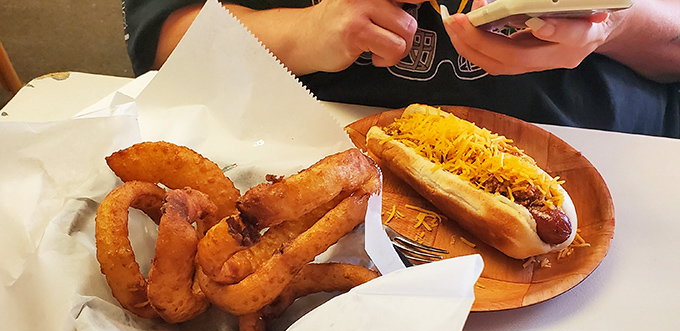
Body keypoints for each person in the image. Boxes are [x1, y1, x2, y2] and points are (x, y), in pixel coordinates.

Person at [122, 0, 680, 138]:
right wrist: (307, 31)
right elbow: (165, 39)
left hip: (608, 159)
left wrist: (612, 25)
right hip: (304, 151)